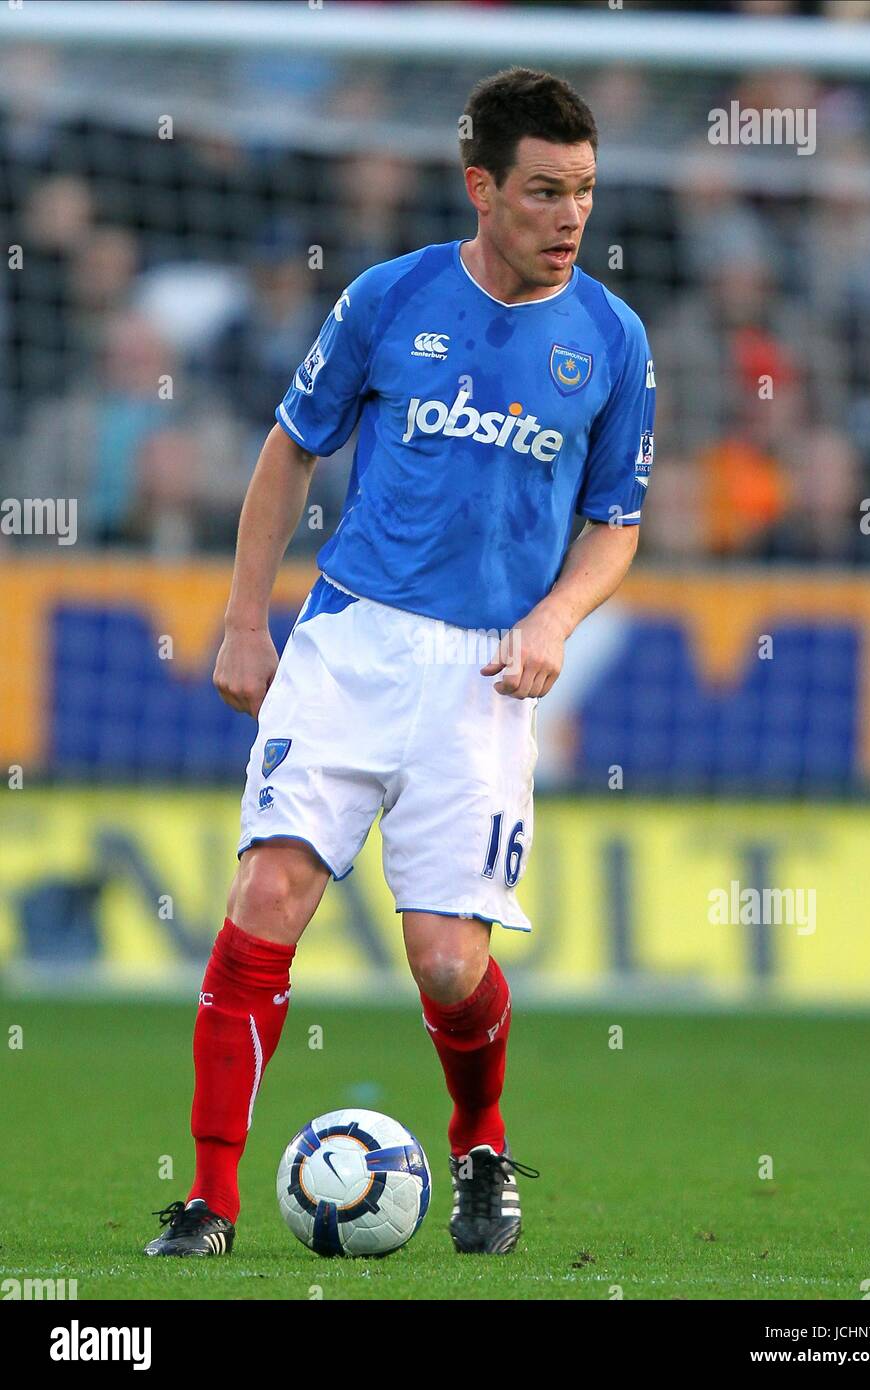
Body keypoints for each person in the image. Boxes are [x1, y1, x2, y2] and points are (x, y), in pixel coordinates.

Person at [145, 66, 655, 1259]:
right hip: (351, 639)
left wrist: (554, 621)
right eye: (543, 192)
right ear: (481, 188)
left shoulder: (611, 339)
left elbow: (617, 521)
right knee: (268, 895)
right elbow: (289, 449)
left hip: (488, 671)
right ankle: (210, 1200)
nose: (570, 217)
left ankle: (478, 1140)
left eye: (583, 191)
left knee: (442, 961)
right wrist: (242, 621)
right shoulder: (390, 296)